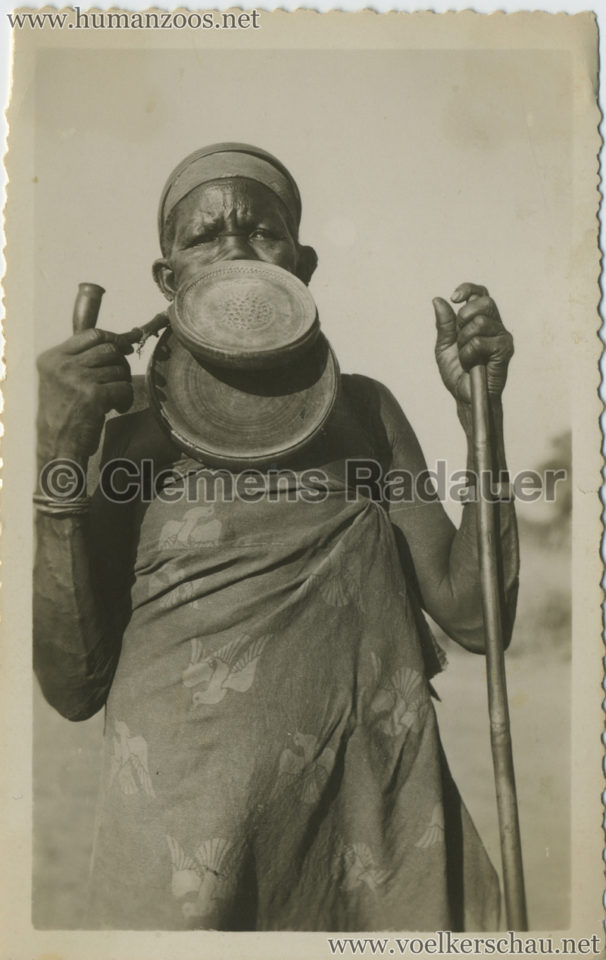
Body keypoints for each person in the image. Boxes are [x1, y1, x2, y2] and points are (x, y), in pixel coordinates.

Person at [34, 143, 518, 931]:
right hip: (187, 852)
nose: (235, 251)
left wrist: (481, 417)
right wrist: (58, 452)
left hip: (368, 831)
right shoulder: (124, 433)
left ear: (303, 265)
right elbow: (73, 688)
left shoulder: (364, 413)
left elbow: (475, 615)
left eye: (262, 233)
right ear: (168, 279)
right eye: (205, 237)